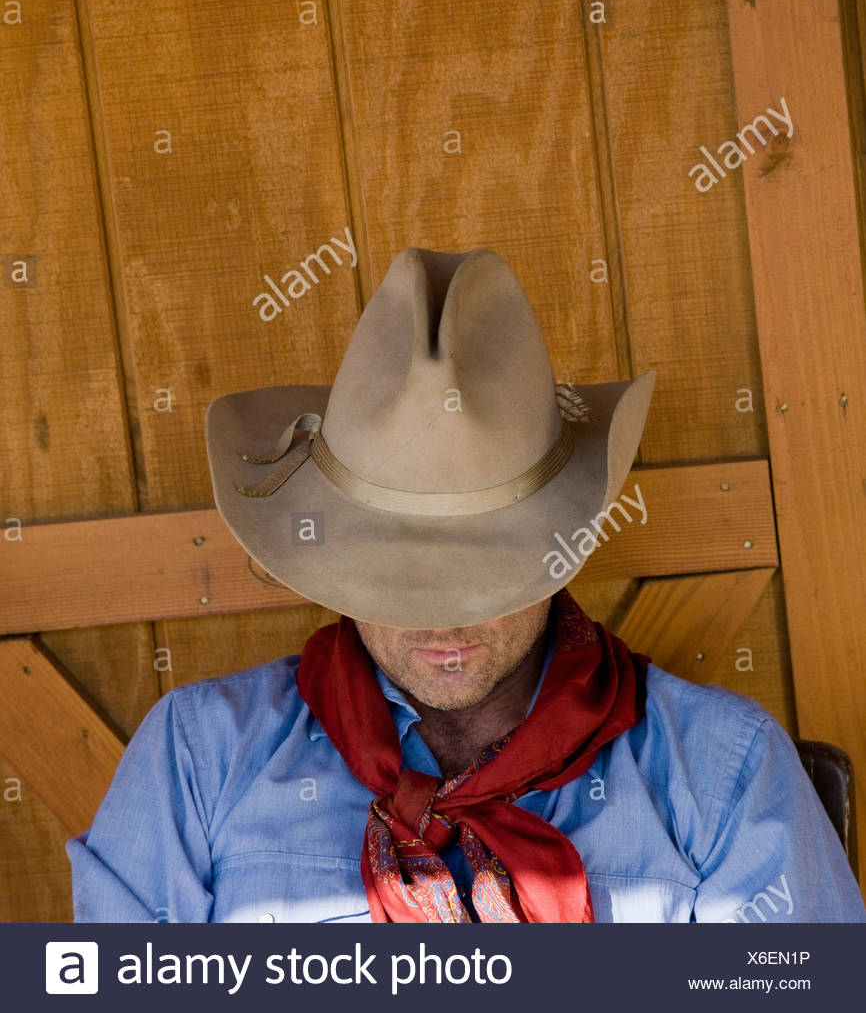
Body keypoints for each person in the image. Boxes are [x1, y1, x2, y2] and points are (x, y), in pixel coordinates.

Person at [66, 247, 866, 923]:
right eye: (396, 576)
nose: (440, 618)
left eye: (483, 571)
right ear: (331, 564)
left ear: (561, 550)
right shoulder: (197, 760)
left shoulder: (724, 772)